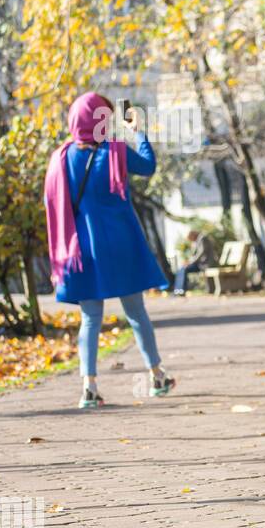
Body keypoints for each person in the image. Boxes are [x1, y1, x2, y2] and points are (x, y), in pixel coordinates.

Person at [44, 92, 175, 409]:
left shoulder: (61, 159)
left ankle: (88, 387)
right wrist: (136, 131)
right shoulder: (115, 152)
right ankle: (156, 375)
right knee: (136, 314)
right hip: (120, 247)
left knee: (90, 319)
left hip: (83, 252)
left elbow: (51, 202)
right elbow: (148, 165)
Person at [173, 229, 212, 296]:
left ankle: (182, 290)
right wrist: (188, 261)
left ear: (193, 234)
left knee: (185, 269)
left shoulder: (202, 238)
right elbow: (194, 254)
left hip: (204, 263)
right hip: (199, 263)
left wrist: (191, 262)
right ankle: (178, 289)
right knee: (181, 269)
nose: (191, 240)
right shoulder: (196, 241)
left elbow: (201, 252)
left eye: (191, 238)